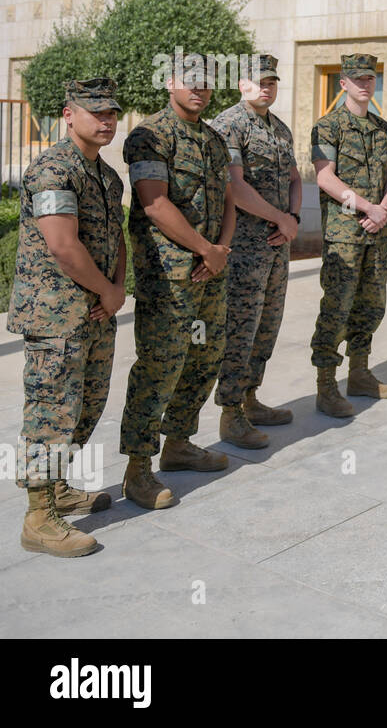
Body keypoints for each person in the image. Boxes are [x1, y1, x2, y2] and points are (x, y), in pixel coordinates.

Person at [9, 78, 125, 555]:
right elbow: (61, 245)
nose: (105, 121)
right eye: (94, 112)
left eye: (111, 113)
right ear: (68, 114)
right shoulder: (54, 170)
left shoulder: (107, 176)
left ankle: (56, 488)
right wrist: (109, 291)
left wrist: (115, 289)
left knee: (85, 406)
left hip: (95, 311)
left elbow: (116, 239)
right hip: (55, 316)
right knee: (50, 414)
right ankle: (38, 518)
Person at [121, 65, 236, 506]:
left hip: (210, 271)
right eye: (191, 81)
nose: (200, 90)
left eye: (206, 82)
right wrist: (204, 248)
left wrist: (220, 249)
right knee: (160, 366)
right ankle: (137, 469)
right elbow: (154, 203)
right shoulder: (150, 135)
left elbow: (227, 197)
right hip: (169, 276)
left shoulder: (211, 138)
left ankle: (179, 443)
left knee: (205, 355)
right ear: (170, 83)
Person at [210, 53, 300, 449]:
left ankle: (250, 398)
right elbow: (234, 186)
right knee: (240, 329)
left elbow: (296, 177)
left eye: (272, 82)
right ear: (241, 83)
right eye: (258, 81)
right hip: (245, 249)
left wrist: (293, 216)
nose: (266, 88)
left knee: (267, 324)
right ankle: (230, 414)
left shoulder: (279, 128)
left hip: (276, 247)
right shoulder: (229, 125)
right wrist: (280, 218)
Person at [310, 53, 387, 416]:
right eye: (357, 78)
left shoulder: (383, 129)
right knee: (337, 306)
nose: (365, 84)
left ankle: (359, 372)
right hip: (345, 233)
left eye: (370, 78)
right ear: (343, 83)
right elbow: (325, 177)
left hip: (377, 231)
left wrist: (382, 211)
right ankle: (326, 385)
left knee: (371, 304)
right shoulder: (328, 127)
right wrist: (367, 207)